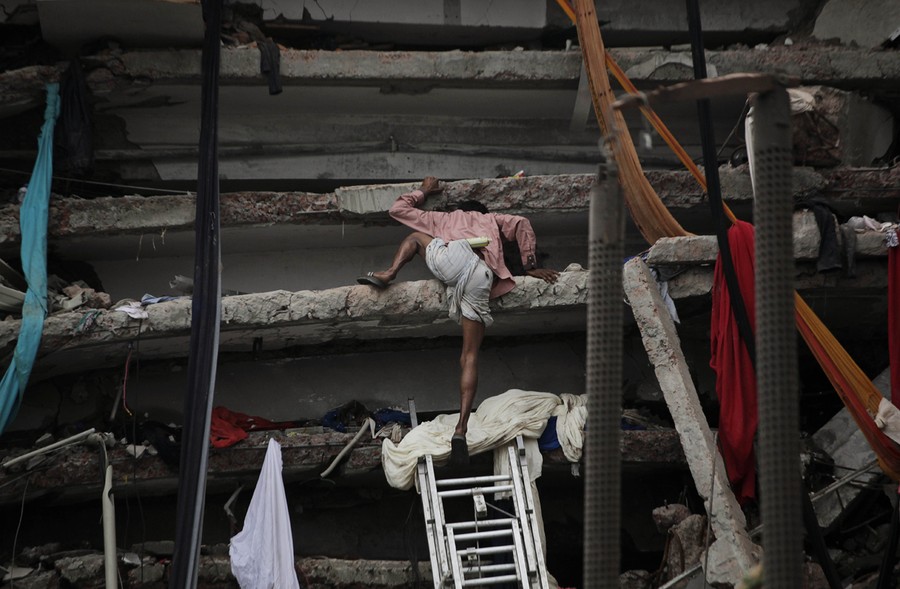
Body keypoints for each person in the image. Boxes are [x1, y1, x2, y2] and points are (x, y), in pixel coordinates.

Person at [356, 176, 559, 465]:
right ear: (483, 210)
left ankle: (388, 274)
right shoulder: (493, 219)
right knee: (469, 355)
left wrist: (424, 191)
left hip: (450, 261)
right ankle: (461, 427)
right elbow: (523, 223)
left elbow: (398, 209)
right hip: (480, 276)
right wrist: (531, 266)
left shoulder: (443, 218)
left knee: (414, 238)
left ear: (459, 208)